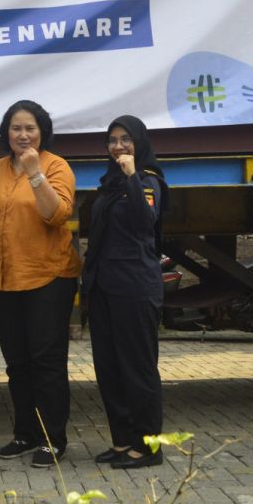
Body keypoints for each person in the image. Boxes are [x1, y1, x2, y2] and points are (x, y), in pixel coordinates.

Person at [0, 99, 83, 468]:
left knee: (47, 362)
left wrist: (35, 174)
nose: (23, 135)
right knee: (17, 363)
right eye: (16, 128)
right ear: (6, 132)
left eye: (30, 128)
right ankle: (24, 433)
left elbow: (57, 215)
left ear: (42, 132)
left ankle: (52, 439)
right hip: (3, 279)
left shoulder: (56, 166)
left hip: (48, 278)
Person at [84, 115, 168, 469]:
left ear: (139, 143)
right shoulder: (109, 183)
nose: (118, 146)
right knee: (110, 369)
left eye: (126, 139)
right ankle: (122, 440)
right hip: (105, 288)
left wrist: (133, 175)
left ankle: (148, 447)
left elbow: (145, 220)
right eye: (113, 140)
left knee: (138, 369)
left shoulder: (147, 181)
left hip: (135, 287)